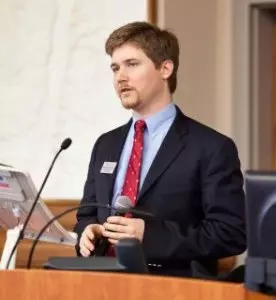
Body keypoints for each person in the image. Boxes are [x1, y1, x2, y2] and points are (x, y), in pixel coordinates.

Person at [73, 21, 246, 277]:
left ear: (165, 68)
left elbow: (231, 234)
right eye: (115, 67)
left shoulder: (211, 147)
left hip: (175, 287)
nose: (120, 77)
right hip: (102, 283)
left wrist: (149, 236)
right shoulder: (105, 144)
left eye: (132, 64)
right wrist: (88, 232)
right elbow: (86, 215)